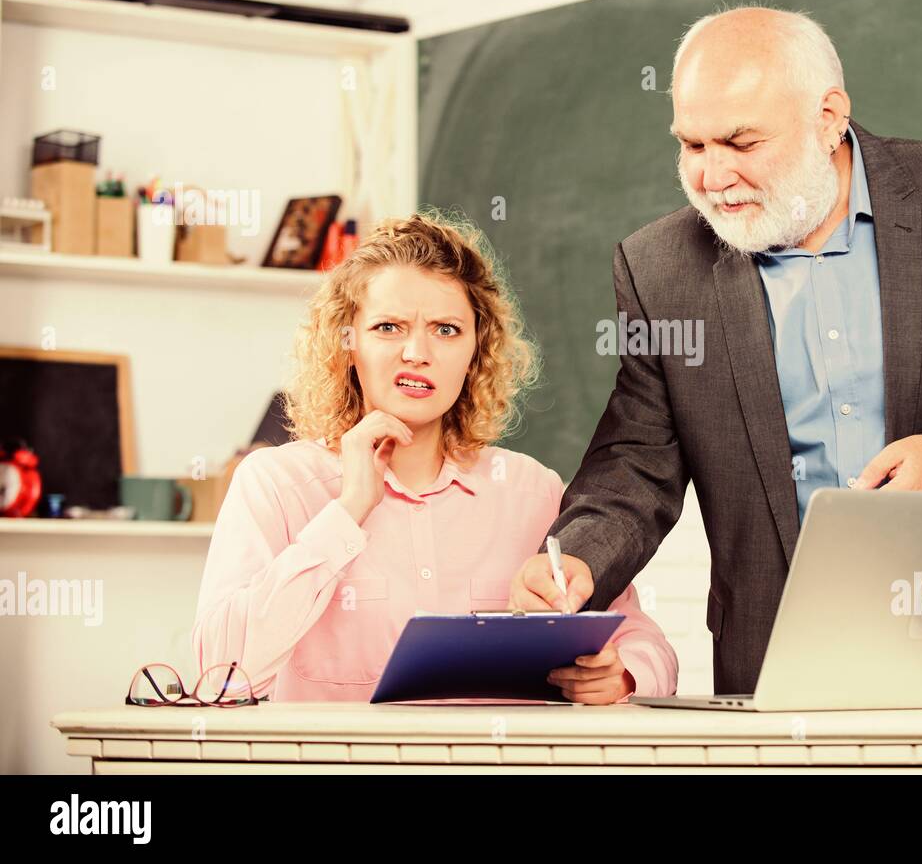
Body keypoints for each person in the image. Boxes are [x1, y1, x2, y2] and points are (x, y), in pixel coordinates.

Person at [510, 6, 922, 772]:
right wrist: (577, 558)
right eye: (691, 144)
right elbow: (635, 461)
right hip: (781, 677)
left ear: (830, 117)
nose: (712, 174)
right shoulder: (659, 268)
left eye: (741, 142)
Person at [193, 211, 677, 703]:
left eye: (446, 330)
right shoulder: (274, 484)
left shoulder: (534, 492)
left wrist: (622, 675)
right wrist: (347, 512)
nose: (417, 353)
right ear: (347, 344)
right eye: (388, 327)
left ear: (476, 353)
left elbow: (645, 643)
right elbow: (220, 672)